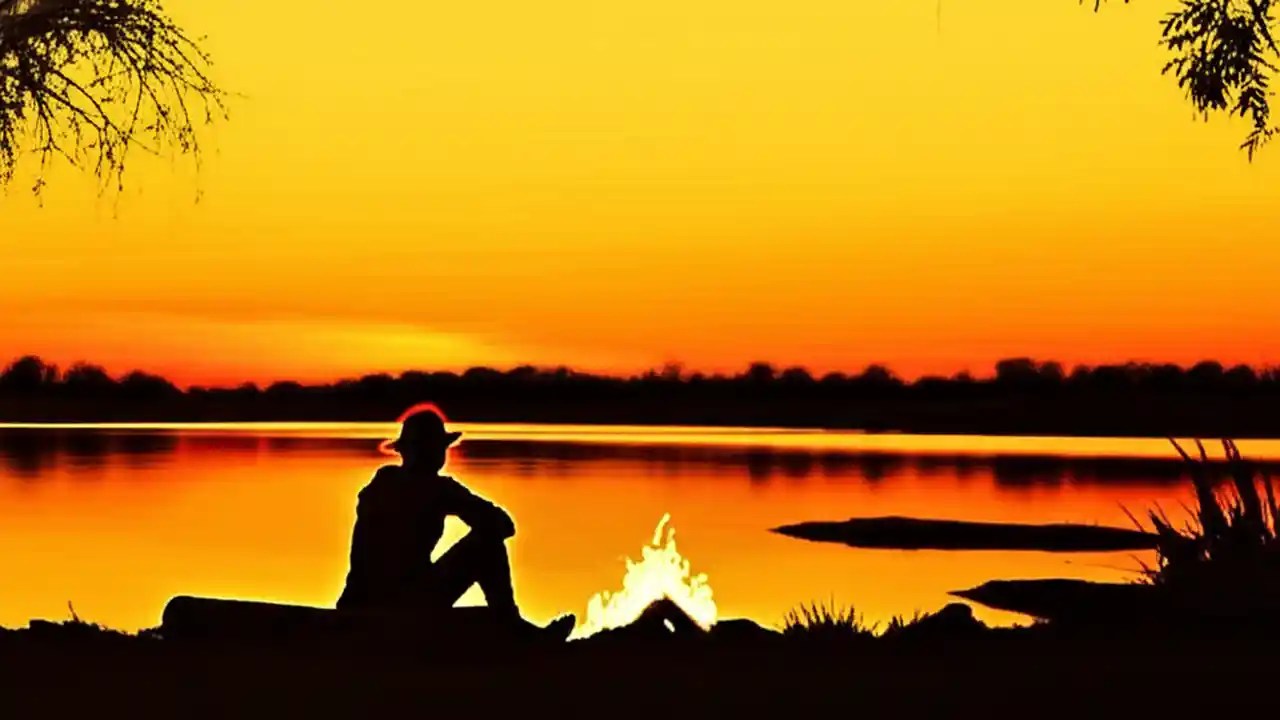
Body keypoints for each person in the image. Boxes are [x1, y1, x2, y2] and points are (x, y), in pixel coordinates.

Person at [336, 404, 573, 639]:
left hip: (357, 603)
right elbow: (503, 525)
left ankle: (509, 624)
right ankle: (511, 626)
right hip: (403, 607)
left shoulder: (382, 481)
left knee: (483, 541)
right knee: (487, 545)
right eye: (438, 449)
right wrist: (463, 511)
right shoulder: (439, 490)